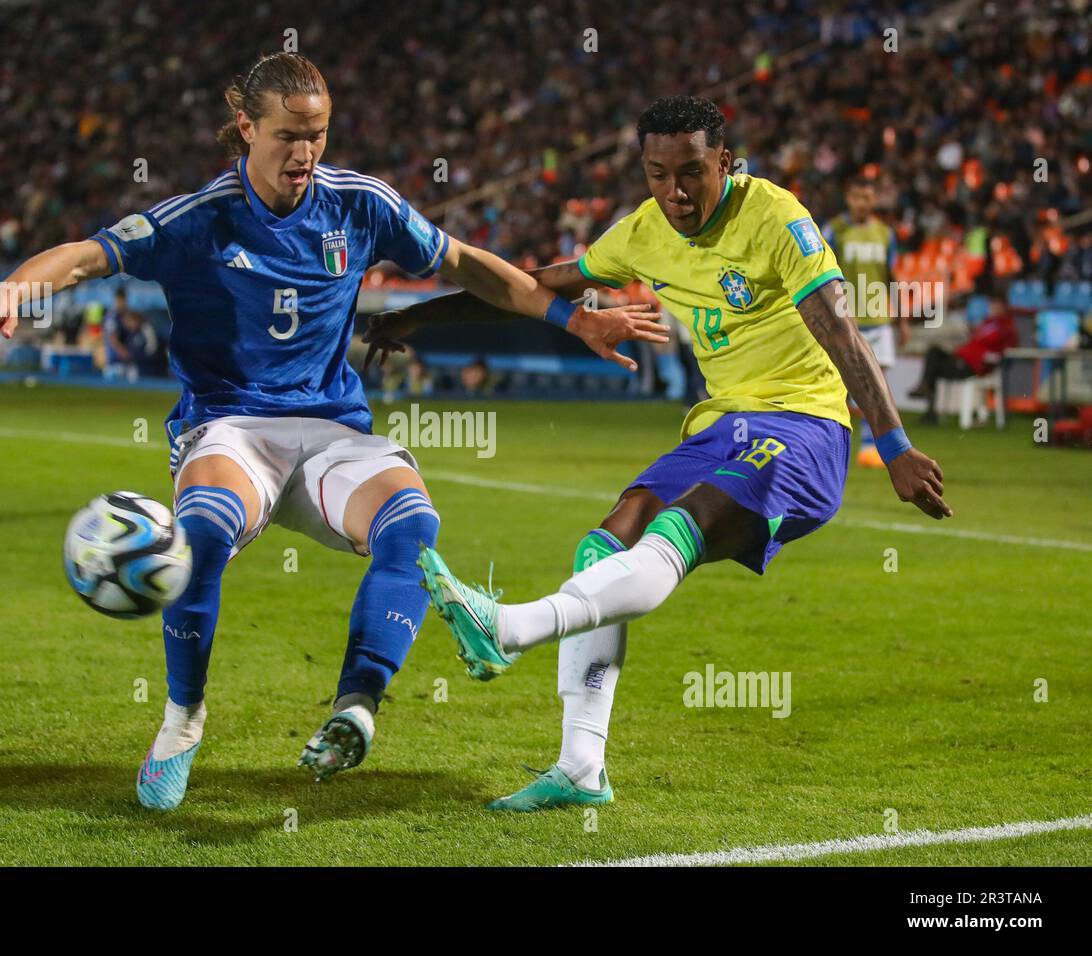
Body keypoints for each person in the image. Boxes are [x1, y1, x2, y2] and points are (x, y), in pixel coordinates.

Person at [0, 53, 663, 811]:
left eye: (318, 135)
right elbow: (87, 256)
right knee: (198, 539)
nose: (305, 153)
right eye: (288, 136)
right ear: (246, 128)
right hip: (230, 426)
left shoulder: (360, 204)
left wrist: (571, 316)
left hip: (332, 430)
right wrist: (11, 290)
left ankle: (355, 706)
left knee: (412, 525)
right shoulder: (199, 218)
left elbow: (467, 264)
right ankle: (181, 721)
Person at [369, 95, 951, 812]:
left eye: (692, 173)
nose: (675, 192)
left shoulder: (775, 216)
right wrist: (413, 318)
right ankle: (582, 767)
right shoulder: (643, 232)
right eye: (657, 174)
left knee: (684, 523)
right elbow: (534, 288)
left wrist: (894, 446)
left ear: (726, 165)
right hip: (720, 425)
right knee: (606, 544)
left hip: (805, 427)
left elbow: (840, 328)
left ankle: (511, 626)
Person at [822, 178, 909, 467]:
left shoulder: (885, 233)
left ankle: (871, 446)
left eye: (868, 197)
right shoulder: (835, 230)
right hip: (845, 321)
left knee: (878, 385)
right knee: (841, 388)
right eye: (858, 196)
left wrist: (902, 318)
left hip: (878, 317)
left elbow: (891, 275)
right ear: (849, 198)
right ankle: (832, 445)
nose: (863, 203)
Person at [908, 295, 1018, 425]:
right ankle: (927, 396)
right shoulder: (987, 323)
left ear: (1004, 307)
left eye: (996, 305)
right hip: (962, 358)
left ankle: (928, 401)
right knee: (934, 353)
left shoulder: (1006, 327)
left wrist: (988, 359)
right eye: (992, 305)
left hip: (975, 365)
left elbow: (1006, 349)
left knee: (933, 366)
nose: (993, 308)